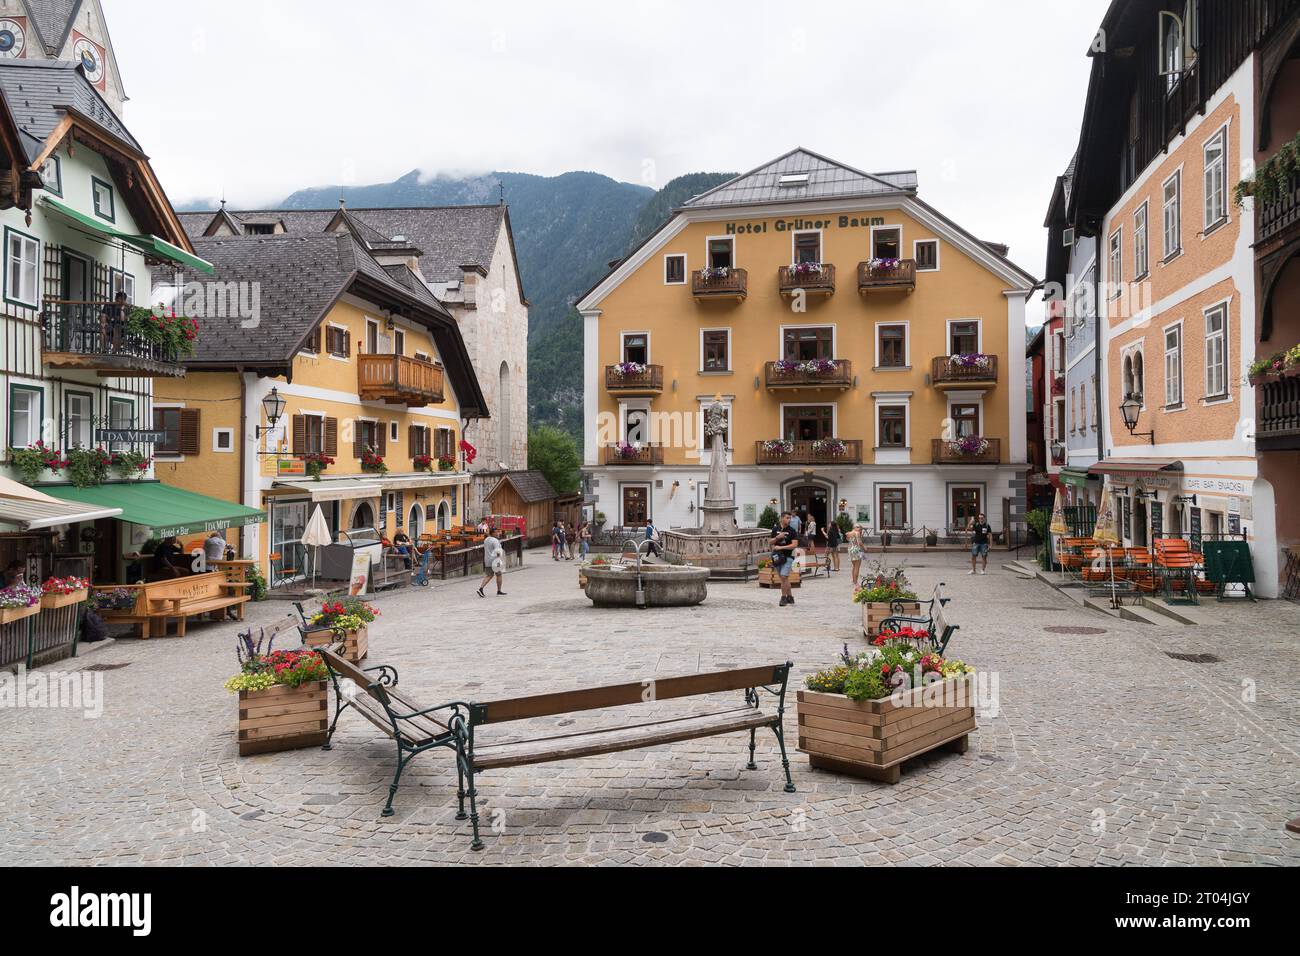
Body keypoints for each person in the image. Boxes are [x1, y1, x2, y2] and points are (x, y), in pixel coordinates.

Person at [769, 513, 799, 607]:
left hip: (788, 557)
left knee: (783, 576)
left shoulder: (792, 531)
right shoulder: (775, 529)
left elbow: (794, 545)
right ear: (782, 518)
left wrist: (782, 548)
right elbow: (770, 542)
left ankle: (783, 598)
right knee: (783, 579)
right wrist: (778, 537)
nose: (789, 520)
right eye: (787, 518)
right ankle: (790, 597)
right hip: (777, 557)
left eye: (790, 518)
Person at [476, 527, 507, 597]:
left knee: (489, 575)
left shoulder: (486, 539)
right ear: (492, 533)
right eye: (496, 532)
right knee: (499, 575)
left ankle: (481, 588)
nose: (498, 533)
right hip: (495, 560)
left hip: (487, 560)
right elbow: (498, 551)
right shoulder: (495, 541)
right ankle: (499, 591)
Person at [847, 523, 867, 591]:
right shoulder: (857, 533)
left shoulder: (849, 533)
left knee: (854, 566)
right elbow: (859, 542)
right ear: (854, 527)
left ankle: (853, 581)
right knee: (857, 567)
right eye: (857, 527)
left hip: (850, 549)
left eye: (859, 527)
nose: (859, 529)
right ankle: (856, 582)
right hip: (856, 549)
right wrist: (864, 547)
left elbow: (848, 540)